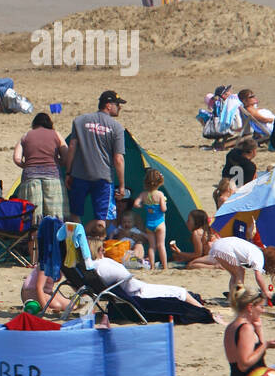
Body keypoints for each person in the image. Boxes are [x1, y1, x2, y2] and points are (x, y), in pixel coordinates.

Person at [84, 223, 212, 312]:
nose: (105, 250)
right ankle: (205, 313)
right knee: (180, 292)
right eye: (103, 249)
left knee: (180, 292)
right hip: (138, 293)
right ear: (99, 249)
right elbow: (126, 276)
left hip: (132, 290)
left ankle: (201, 306)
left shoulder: (92, 267)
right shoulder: (103, 266)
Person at [65, 90, 127, 233]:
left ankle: (78, 248)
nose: (120, 108)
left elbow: (72, 147)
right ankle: (97, 250)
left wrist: (68, 172)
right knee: (101, 218)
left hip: (80, 175)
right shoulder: (116, 127)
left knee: (75, 214)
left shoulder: (80, 121)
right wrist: (122, 185)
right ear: (108, 105)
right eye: (118, 104)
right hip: (103, 178)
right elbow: (118, 159)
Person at [223, 286, 275, 376]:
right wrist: (265, 345)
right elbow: (244, 364)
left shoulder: (231, 327)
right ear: (250, 307)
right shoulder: (245, 328)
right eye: (261, 307)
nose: (263, 311)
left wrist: (258, 328)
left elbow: (256, 355)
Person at [190, 235, 275, 303]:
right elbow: (258, 277)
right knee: (240, 273)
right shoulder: (259, 257)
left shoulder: (256, 250)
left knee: (235, 274)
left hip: (219, 245)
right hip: (225, 248)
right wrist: (265, 291)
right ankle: (237, 298)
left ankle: (231, 298)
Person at [12, 112, 68, 223]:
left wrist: (26, 166)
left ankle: (33, 239)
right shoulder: (56, 134)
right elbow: (66, 155)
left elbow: (16, 158)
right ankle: (53, 239)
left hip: (31, 178)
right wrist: (58, 163)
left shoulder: (26, 135)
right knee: (55, 217)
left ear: (34, 124)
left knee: (32, 217)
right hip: (53, 179)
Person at [137, 168, 168, 270]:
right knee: (161, 245)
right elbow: (163, 209)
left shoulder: (143, 194)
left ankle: (152, 267)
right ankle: (165, 266)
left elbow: (136, 203)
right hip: (159, 222)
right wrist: (164, 204)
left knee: (152, 246)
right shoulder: (160, 195)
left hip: (149, 223)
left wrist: (144, 207)